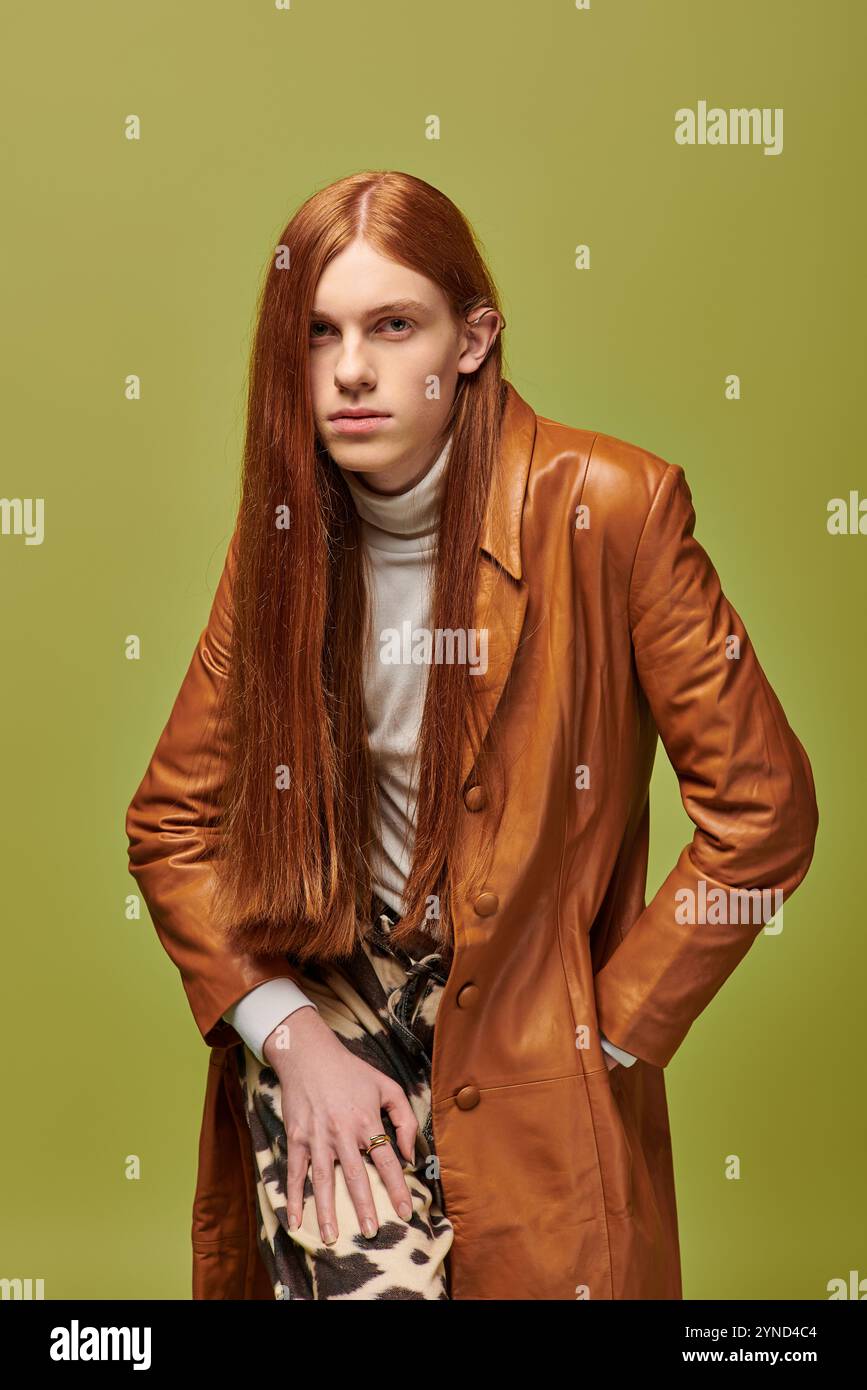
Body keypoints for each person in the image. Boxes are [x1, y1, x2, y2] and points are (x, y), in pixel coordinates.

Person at [125, 169, 818, 1301]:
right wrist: (295, 1042)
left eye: (394, 325)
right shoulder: (281, 544)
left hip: (531, 1015)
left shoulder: (616, 508)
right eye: (319, 333)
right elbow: (172, 827)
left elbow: (766, 814)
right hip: (333, 994)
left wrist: (613, 1031)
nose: (351, 369)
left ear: (473, 338)